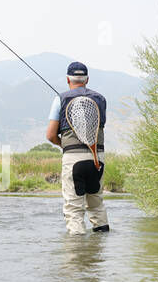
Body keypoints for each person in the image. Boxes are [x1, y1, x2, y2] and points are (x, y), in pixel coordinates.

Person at [45, 61, 110, 235]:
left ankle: (77, 254)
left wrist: (63, 145)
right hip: (97, 159)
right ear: (87, 79)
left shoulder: (60, 99)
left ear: (68, 79)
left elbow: (50, 135)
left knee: (74, 209)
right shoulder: (101, 99)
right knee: (96, 205)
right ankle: (101, 252)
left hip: (74, 160)